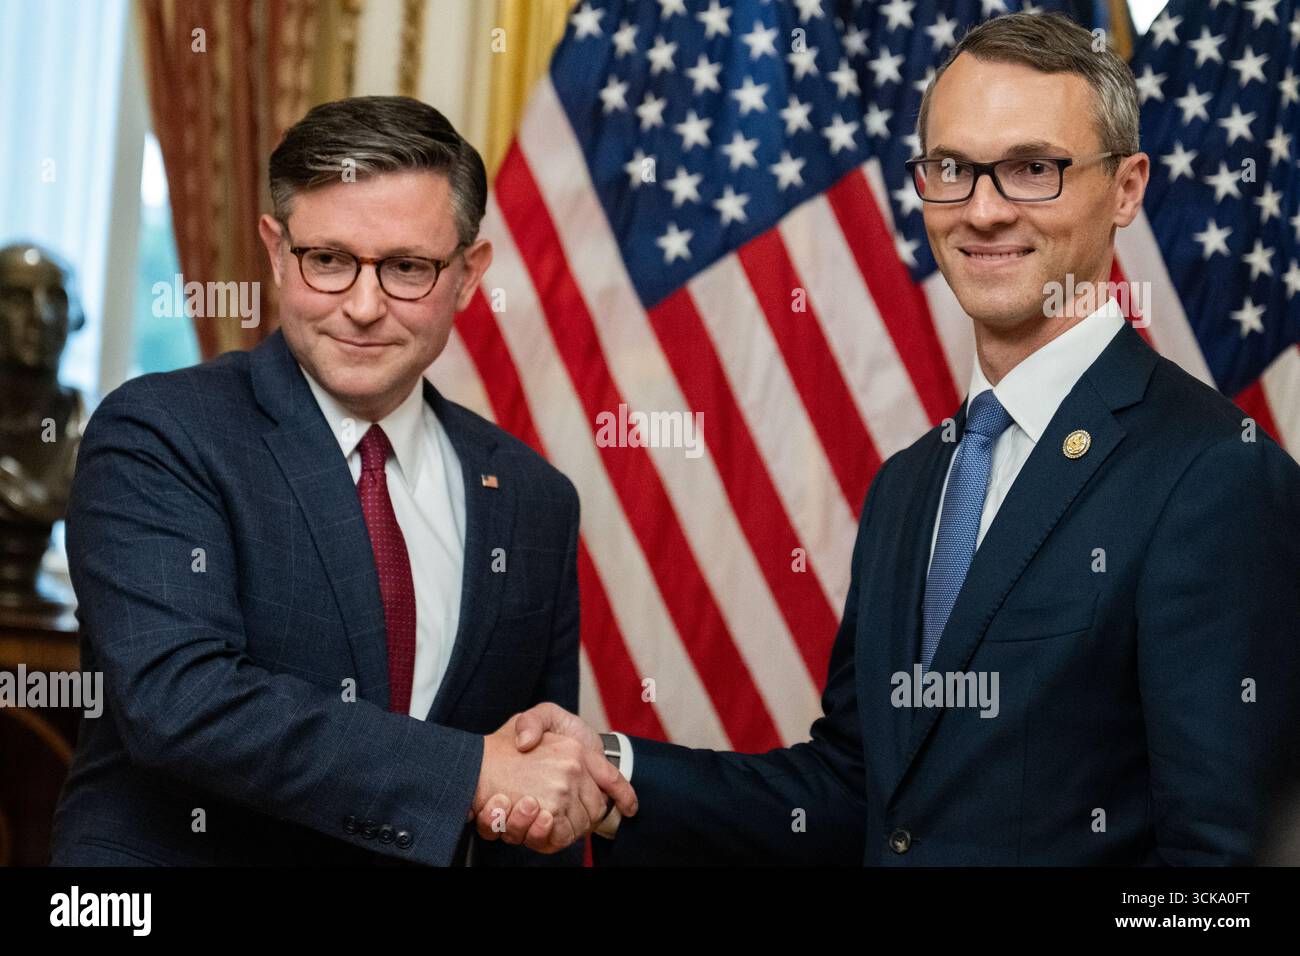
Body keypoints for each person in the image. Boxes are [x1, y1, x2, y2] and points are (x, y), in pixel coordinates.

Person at [477, 12, 1300, 865]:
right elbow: (856, 792)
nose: (982, 211)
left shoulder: (1216, 476)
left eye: (1031, 169)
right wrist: (611, 770)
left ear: (1127, 188)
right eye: (953, 169)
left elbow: (1223, 880)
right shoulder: (911, 484)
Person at [48, 96, 634, 867]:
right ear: (275, 251)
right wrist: (470, 771)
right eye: (328, 260)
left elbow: (530, 794)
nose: (362, 307)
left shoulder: (534, 500)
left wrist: (532, 788)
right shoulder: (160, 433)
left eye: (406, 268)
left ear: (467, 274)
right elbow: (182, 703)